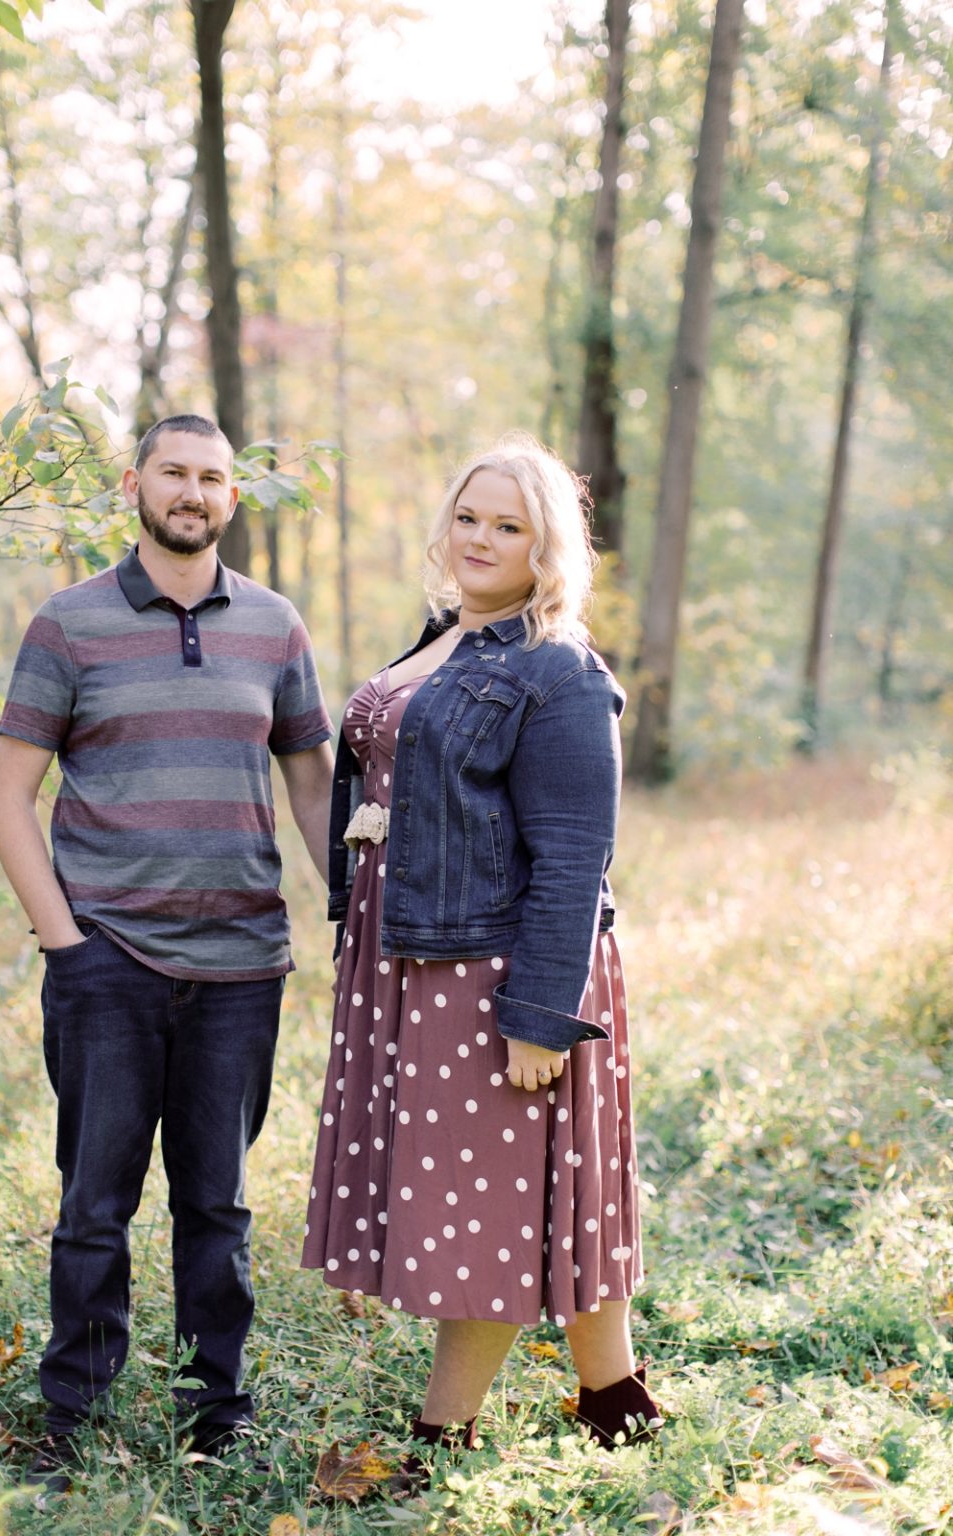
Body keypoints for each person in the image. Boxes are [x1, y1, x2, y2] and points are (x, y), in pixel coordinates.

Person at [0, 413, 334, 1489]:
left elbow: (313, 784)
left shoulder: (274, 625)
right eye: (175, 473)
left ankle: (213, 1415)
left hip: (242, 963)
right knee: (95, 1203)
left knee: (218, 1207)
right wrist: (66, 944)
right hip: (108, 964)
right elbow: (8, 796)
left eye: (214, 478)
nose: (193, 492)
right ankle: (73, 1416)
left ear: (234, 496)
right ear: (135, 482)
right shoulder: (68, 623)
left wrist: (357, 913)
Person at [302, 432, 660, 1473]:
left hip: (493, 971)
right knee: (536, 1185)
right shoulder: (438, 642)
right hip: (409, 960)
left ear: (548, 547)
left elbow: (575, 857)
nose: (482, 539)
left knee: (487, 1201)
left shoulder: (558, 673)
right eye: (469, 516)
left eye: (510, 526)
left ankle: (439, 1432)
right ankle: (614, 1397)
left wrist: (542, 1012)